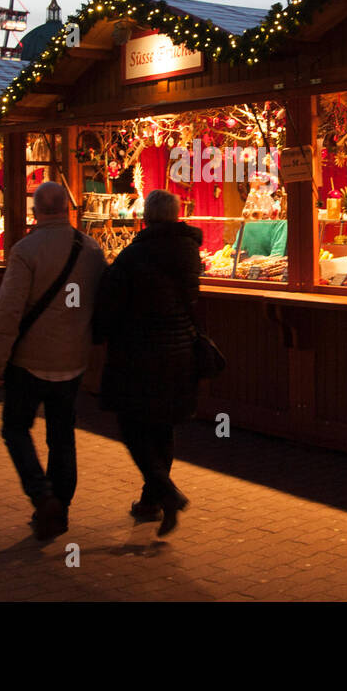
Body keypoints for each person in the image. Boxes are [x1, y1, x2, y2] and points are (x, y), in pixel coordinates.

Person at [0, 181, 106, 541]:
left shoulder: (25, 250)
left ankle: (41, 495)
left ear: (36, 212)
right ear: (68, 210)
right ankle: (60, 510)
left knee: (15, 428)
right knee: (62, 437)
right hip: (73, 360)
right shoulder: (92, 250)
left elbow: (8, 311)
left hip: (29, 361)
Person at [94, 189, 204, 536]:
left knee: (131, 426)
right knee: (163, 425)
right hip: (180, 350)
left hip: (140, 353)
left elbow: (110, 305)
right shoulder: (189, 251)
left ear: (146, 218)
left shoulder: (134, 256)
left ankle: (165, 493)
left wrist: (98, 333)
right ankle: (152, 499)